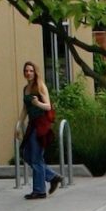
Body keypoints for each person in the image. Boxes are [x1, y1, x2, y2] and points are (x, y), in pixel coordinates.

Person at [17, 61, 61, 200]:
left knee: (36, 158)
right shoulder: (26, 88)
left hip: (41, 124)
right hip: (32, 124)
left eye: (30, 71)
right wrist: (18, 125)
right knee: (27, 154)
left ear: (35, 72)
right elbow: (25, 109)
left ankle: (39, 190)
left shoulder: (40, 86)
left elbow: (48, 106)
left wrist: (38, 103)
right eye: (26, 71)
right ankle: (52, 177)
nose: (28, 73)